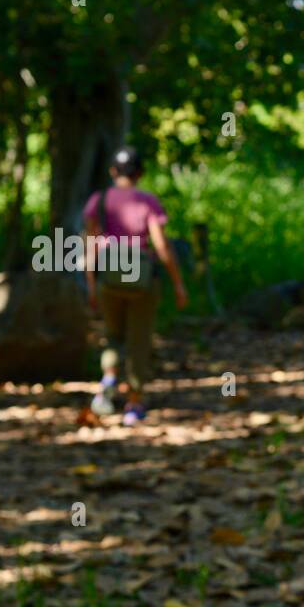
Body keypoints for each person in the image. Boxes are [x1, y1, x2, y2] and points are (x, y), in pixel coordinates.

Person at [82, 146, 187, 426]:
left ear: (113, 171)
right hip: (142, 281)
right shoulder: (147, 202)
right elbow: (161, 246)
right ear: (140, 173)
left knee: (113, 335)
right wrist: (178, 283)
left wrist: (91, 283)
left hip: (108, 279)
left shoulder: (99, 200)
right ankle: (134, 403)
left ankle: (108, 383)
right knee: (138, 339)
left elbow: (90, 245)